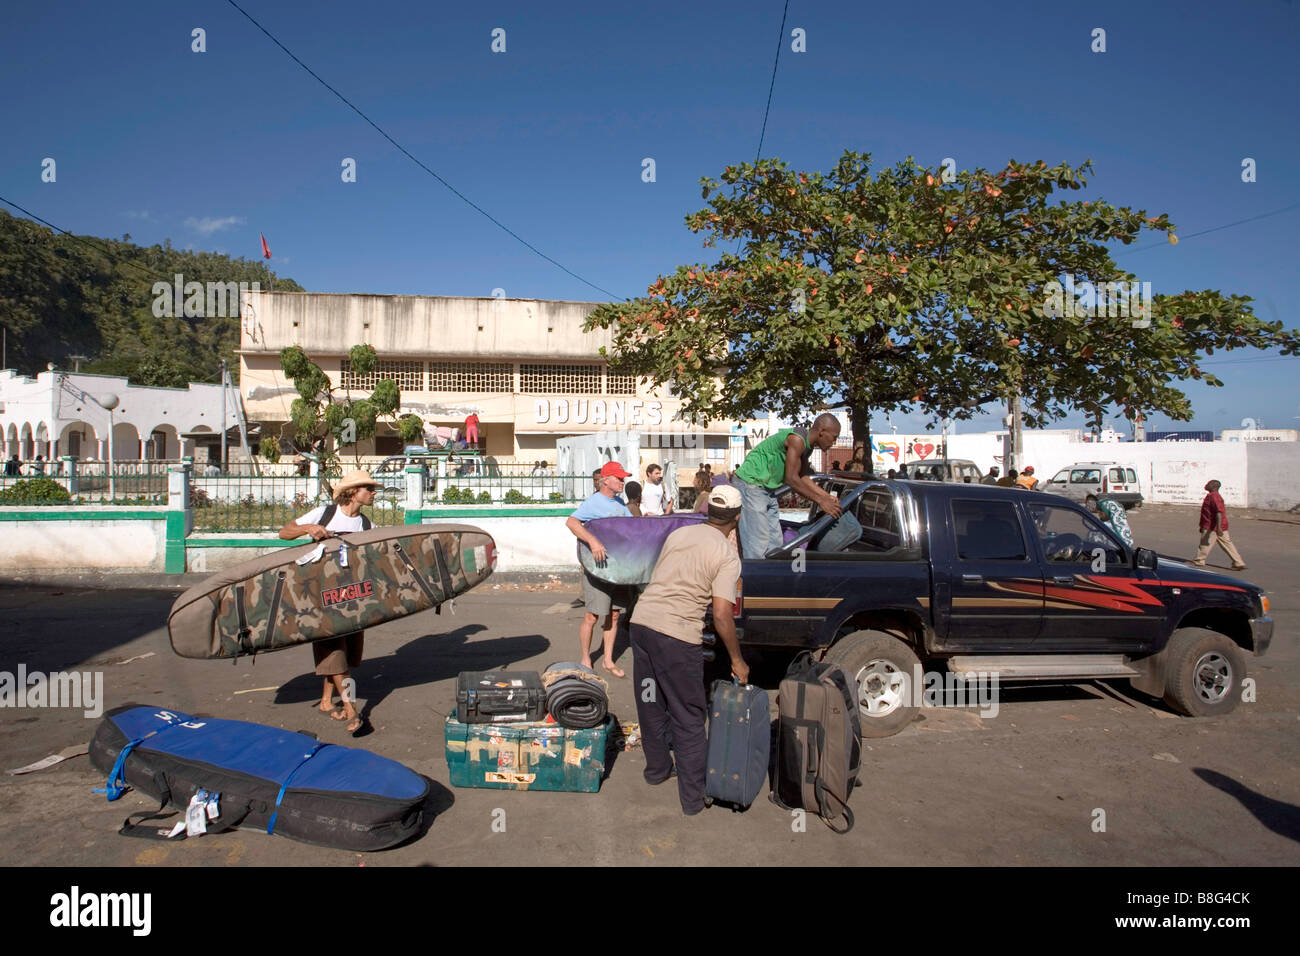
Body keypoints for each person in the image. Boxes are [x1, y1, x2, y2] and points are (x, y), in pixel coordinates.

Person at [631, 484, 746, 816]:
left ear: (707, 511)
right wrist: (737, 660)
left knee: (651, 702)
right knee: (689, 716)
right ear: (736, 518)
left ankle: (656, 771)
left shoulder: (679, 534)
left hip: (641, 624)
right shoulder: (726, 555)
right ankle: (693, 800)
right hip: (676, 635)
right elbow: (723, 614)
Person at [277, 469, 379, 733]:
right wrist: (307, 528)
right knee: (335, 654)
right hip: (321, 598)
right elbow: (284, 533)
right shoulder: (324, 514)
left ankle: (325, 701)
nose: (374, 493)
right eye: (369, 489)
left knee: (347, 653)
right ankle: (351, 709)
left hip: (352, 598)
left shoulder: (367, 526)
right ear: (354, 492)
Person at [733, 413, 858, 558]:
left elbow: (802, 477)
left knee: (775, 541)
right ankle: (754, 577)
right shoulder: (797, 440)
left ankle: (771, 575)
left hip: (766, 488)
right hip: (751, 484)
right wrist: (820, 500)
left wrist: (826, 496)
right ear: (822, 432)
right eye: (834, 437)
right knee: (757, 543)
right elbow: (791, 479)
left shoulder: (807, 446)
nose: (834, 442)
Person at [566, 462, 635, 678]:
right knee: (592, 616)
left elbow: (631, 527)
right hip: (597, 568)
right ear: (606, 480)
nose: (623, 482)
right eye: (619, 478)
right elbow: (572, 522)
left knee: (614, 615)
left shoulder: (620, 503)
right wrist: (593, 542)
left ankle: (607, 660)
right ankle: (586, 658)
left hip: (617, 569)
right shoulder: (594, 502)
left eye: (623, 479)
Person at [1193, 479, 1246, 570]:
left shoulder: (1214, 497)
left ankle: (1199, 560)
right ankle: (1238, 562)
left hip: (1212, 526)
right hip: (1218, 526)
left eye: (1208, 484)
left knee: (1205, 543)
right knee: (1227, 544)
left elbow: (1219, 512)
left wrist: (1218, 528)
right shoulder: (1212, 496)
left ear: (1213, 486)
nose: (1206, 485)